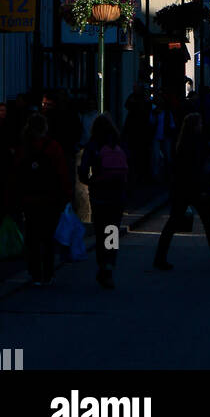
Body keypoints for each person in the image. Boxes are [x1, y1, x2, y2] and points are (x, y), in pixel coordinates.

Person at [153, 113, 210, 272]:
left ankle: (160, 257)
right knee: (209, 225)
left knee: (173, 224)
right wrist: (204, 187)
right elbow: (196, 171)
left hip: (182, 190)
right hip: (195, 189)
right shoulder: (194, 145)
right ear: (194, 127)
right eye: (199, 124)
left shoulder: (183, 144)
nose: (201, 126)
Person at [12, 112, 71, 286]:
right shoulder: (53, 147)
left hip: (29, 199)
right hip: (50, 198)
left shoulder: (24, 148)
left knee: (32, 237)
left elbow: (16, 175)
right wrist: (65, 195)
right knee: (47, 237)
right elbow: (61, 172)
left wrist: (15, 198)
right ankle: (48, 273)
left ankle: (35, 273)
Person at [78, 113, 129, 290]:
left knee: (100, 232)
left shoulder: (93, 145)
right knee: (112, 230)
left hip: (99, 194)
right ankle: (110, 265)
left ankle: (102, 265)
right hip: (117, 194)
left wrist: (90, 182)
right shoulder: (119, 143)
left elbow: (83, 170)